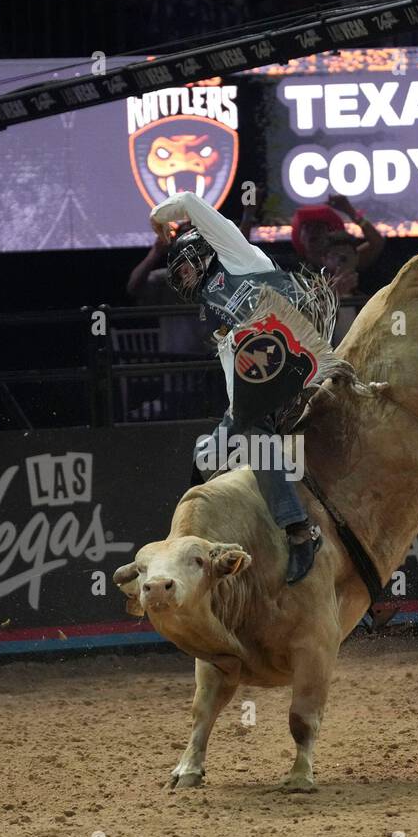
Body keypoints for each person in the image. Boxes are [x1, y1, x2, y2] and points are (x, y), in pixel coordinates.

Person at [149, 190, 344, 585]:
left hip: (297, 352)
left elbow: (188, 200)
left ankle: (298, 530)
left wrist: (159, 217)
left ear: (200, 252)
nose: (184, 279)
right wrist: (227, 432)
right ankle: (197, 545)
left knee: (253, 431)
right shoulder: (223, 326)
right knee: (208, 457)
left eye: (184, 268)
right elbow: (239, 389)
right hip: (267, 386)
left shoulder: (237, 255)